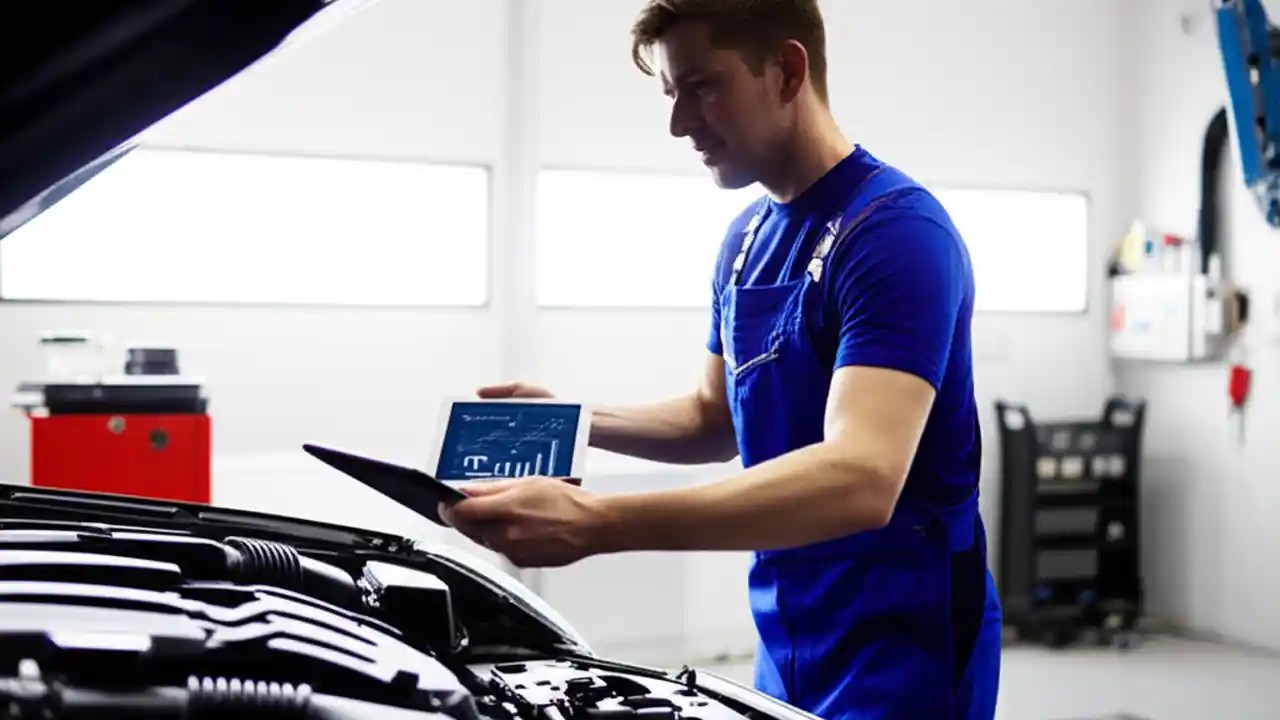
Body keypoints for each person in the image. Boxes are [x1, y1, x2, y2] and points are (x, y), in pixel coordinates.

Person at [439, 1, 1002, 718]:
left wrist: (599, 521)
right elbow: (716, 418)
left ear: (788, 71)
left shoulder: (896, 235)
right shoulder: (745, 238)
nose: (680, 124)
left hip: (904, 639)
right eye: (673, 95)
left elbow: (862, 476)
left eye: (703, 86)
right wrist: (569, 418)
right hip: (792, 627)